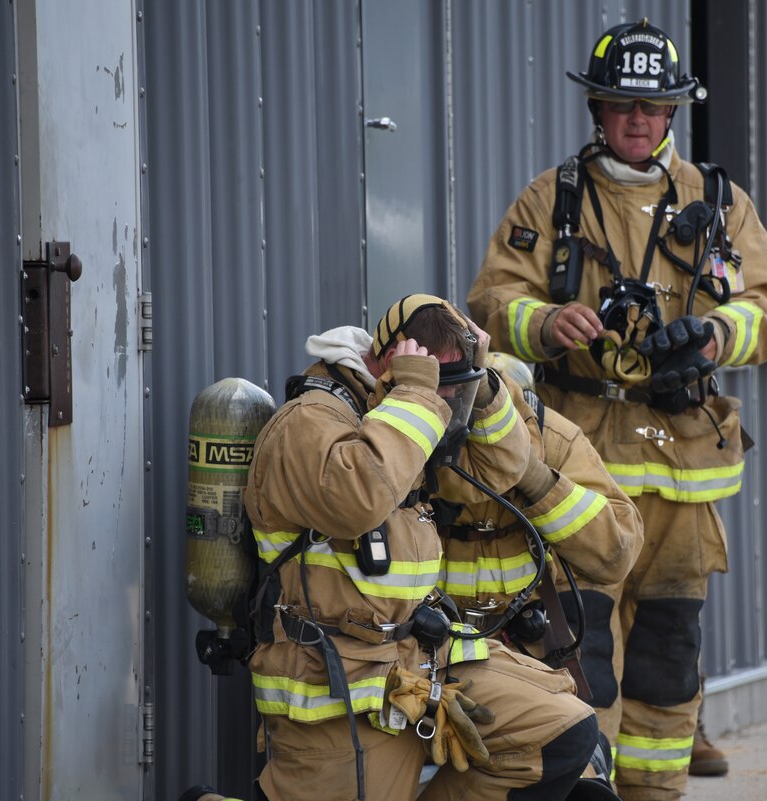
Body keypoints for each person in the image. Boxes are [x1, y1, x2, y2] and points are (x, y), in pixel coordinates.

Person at [467, 20, 767, 801]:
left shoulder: (719, 204)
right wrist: (547, 323)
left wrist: (717, 334)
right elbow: (492, 298)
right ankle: (592, 791)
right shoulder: (554, 199)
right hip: (585, 461)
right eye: (621, 105)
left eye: (652, 108)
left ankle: (656, 793)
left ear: (675, 111)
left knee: (668, 652)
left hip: (688, 469)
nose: (637, 121)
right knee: (582, 648)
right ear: (599, 110)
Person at [243, 294, 599, 801]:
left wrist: (484, 386)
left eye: (455, 396)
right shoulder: (308, 422)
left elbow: (501, 472)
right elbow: (358, 498)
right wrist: (415, 393)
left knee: (565, 732)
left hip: (418, 660)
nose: (448, 413)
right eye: (443, 394)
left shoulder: (399, 414)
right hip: (339, 684)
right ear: (390, 366)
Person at [434, 351, 643, 772]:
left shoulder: (555, 438)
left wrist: (533, 477)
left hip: (529, 645)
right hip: (433, 649)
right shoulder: (421, 436)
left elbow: (616, 551)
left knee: (579, 751)